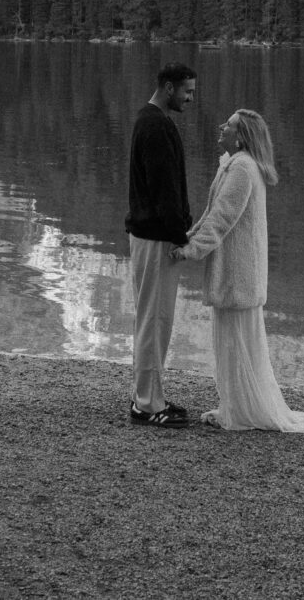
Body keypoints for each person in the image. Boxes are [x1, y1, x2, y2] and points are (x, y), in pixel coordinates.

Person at [176, 109, 304, 437]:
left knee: (236, 343)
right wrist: (188, 238)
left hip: (239, 272)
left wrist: (191, 250)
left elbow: (223, 217)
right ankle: (235, 407)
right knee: (231, 343)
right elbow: (211, 213)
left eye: (227, 125)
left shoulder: (242, 168)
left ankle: (240, 413)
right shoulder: (235, 163)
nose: (221, 127)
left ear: (240, 136)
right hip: (239, 271)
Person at [124, 62, 195, 428]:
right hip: (156, 239)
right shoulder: (155, 126)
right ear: (169, 87)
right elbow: (164, 189)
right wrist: (181, 237)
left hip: (149, 235)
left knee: (154, 319)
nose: (190, 98)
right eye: (187, 91)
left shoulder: (149, 120)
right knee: (154, 320)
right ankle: (148, 406)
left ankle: (149, 395)